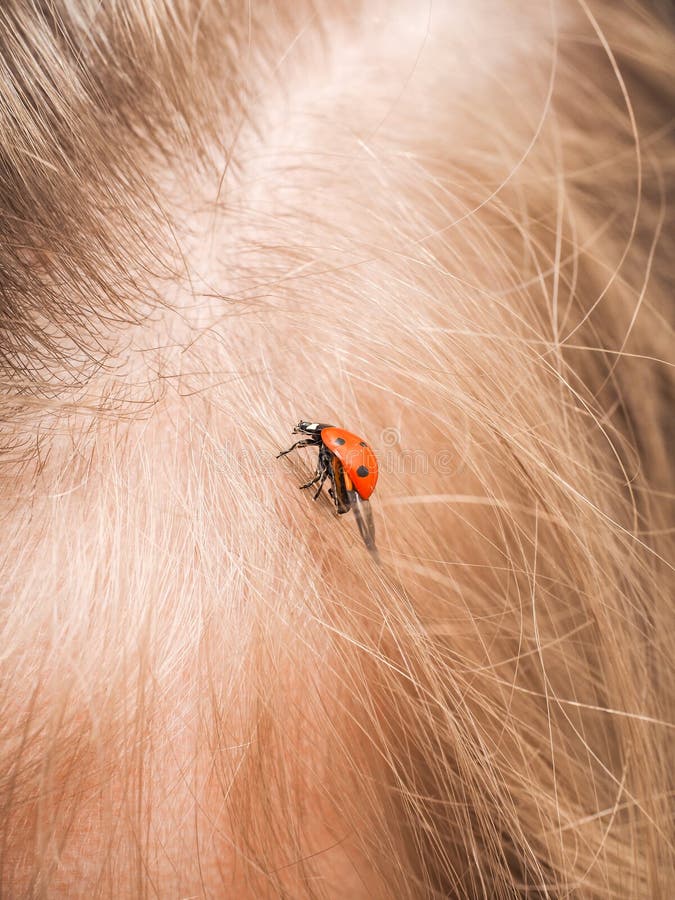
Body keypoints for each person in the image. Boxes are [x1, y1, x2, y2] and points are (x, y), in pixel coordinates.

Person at [1, 1, 673, 896]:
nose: (314, 455)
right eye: (318, 450)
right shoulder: (335, 455)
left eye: (318, 450)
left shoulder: (336, 466)